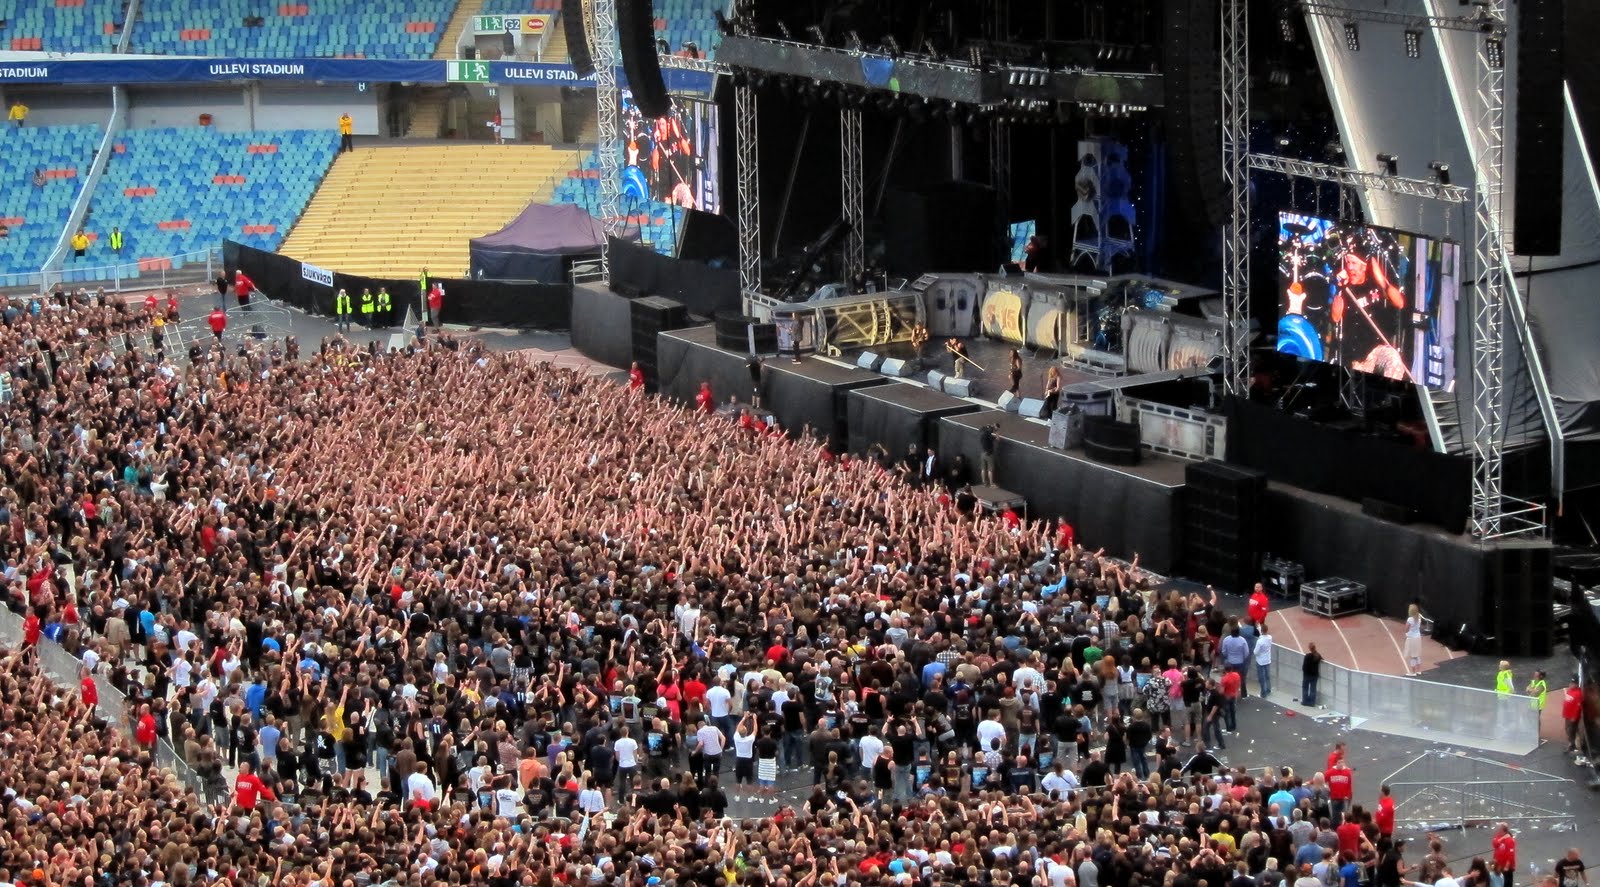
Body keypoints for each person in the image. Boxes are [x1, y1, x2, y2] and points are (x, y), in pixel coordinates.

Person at [1562, 676, 1586, 756]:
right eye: (1571, 683)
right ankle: (1571, 744)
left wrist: (1574, 717)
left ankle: (1577, 748)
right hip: (1567, 715)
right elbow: (1567, 701)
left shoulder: (1578, 693)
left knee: (1574, 731)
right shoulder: (1570, 690)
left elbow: (1578, 707)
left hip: (1573, 717)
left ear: (1576, 684)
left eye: (1573, 683)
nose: (1571, 684)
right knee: (1568, 730)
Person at [1255, 619, 1275, 698]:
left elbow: (1256, 652)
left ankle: (1263, 693)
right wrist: (1259, 626)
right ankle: (1268, 689)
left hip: (1260, 660)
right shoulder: (1270, 637)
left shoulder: (1259, 641)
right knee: (1267, 676)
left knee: (1261, 677)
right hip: (1267, 659)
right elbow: (1263, 634)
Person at [1405, 604, 1424, 675]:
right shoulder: (1419, 618)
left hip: (1411, 638)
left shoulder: (1410, 619)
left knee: (1412, 656)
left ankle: (1413, 672)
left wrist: (1407, 633)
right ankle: (1419, 671)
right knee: (1417, 655)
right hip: (1418, 638)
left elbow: (1406, 629)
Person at [1303, 642, 1324, 706]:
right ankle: (1312, 702)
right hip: (1314, 675)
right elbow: (1322, 659)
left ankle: (1305, 701)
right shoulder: (1318, 655)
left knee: (1305, 688)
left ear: (1309, 648)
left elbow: (1304, 667)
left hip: (1307, 675)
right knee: (1313, 689)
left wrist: (1305, 672)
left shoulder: (1307, 656)